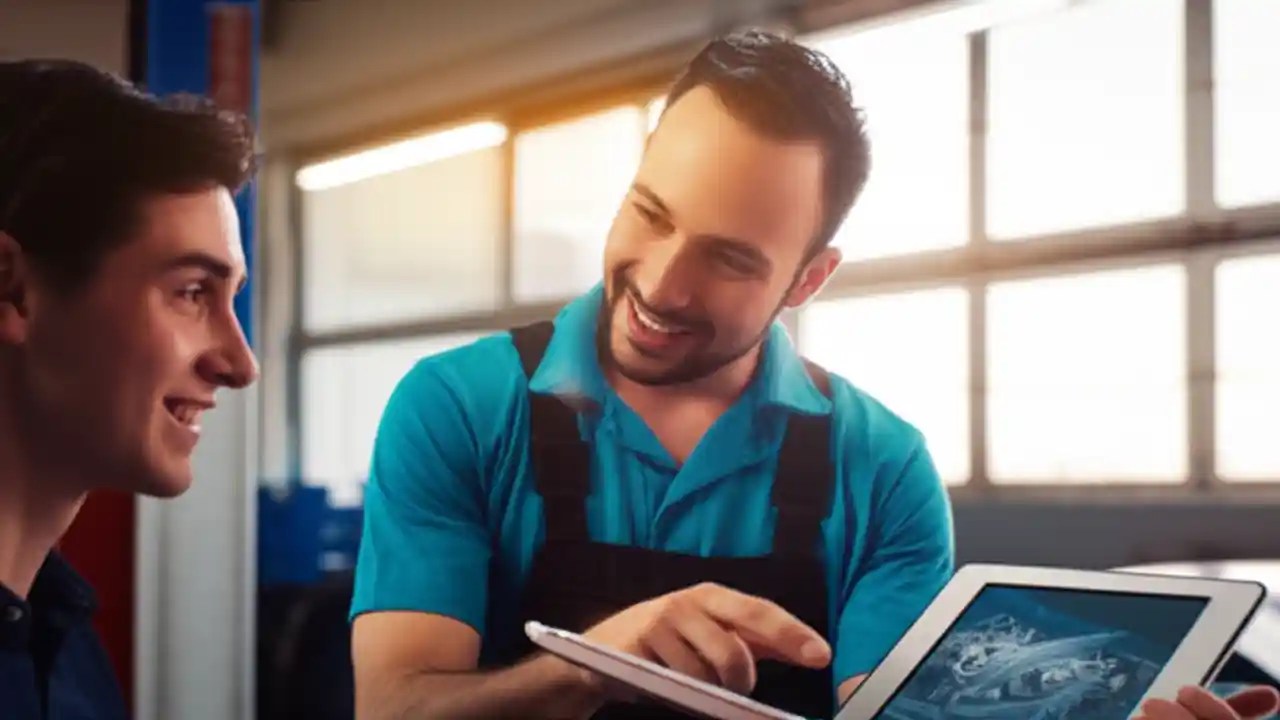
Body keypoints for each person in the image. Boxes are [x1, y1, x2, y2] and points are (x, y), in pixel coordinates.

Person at [348, 30, 1279, 720]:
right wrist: (590, 663)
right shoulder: (458, 407)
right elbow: (393, 705)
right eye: (650, 213)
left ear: (808, 279)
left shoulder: (882, 466)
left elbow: (892, 708)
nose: (663, 283)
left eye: (731, 259)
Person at [0, 59, 258, 719]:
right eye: (192, 293)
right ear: (13, 289)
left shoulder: (63, 639)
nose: (240, 363)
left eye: (232, 298)